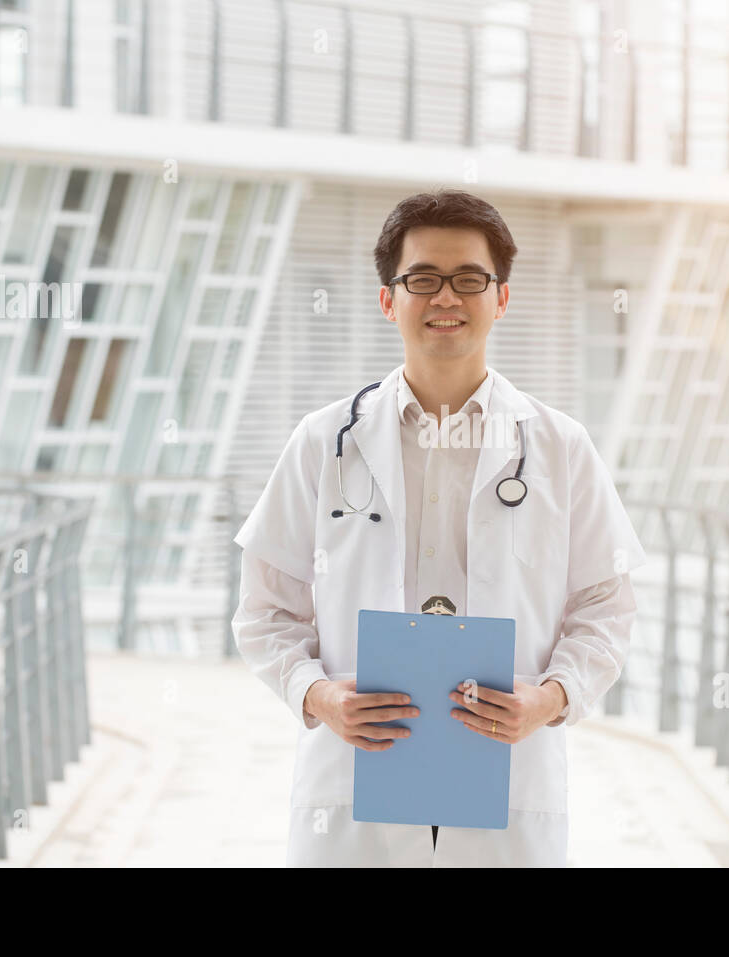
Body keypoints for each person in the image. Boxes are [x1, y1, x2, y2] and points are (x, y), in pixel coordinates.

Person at [231, 188, 647, 867]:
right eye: (422, 278)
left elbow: (608, 605)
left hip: (507, 785)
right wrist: (317, 694)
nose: (446, 297)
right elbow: (264, 609)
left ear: (501, 297)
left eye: (469, 280)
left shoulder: (560, 447)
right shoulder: (324, 442)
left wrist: (549, 698)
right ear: (389, 298)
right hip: (354, 782)